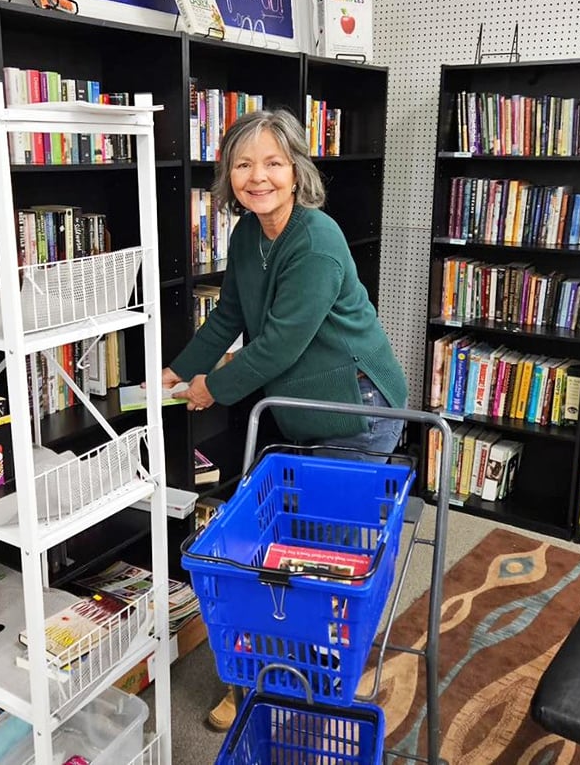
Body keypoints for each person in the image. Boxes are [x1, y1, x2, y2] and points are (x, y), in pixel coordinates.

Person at [163, 108, 408, 729]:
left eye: (273, 162)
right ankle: (269, 671)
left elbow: (277, 345)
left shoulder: (318, 239)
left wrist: (211, 389)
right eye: (243, 164)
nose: (258, 176)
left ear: (296, 171)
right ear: (228, 177)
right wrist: (176, 371)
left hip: (357, 407)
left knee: (315, 557)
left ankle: (299, 682)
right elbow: (229, 320)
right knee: (282, 549)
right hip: (299, 412)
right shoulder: (248, 236)